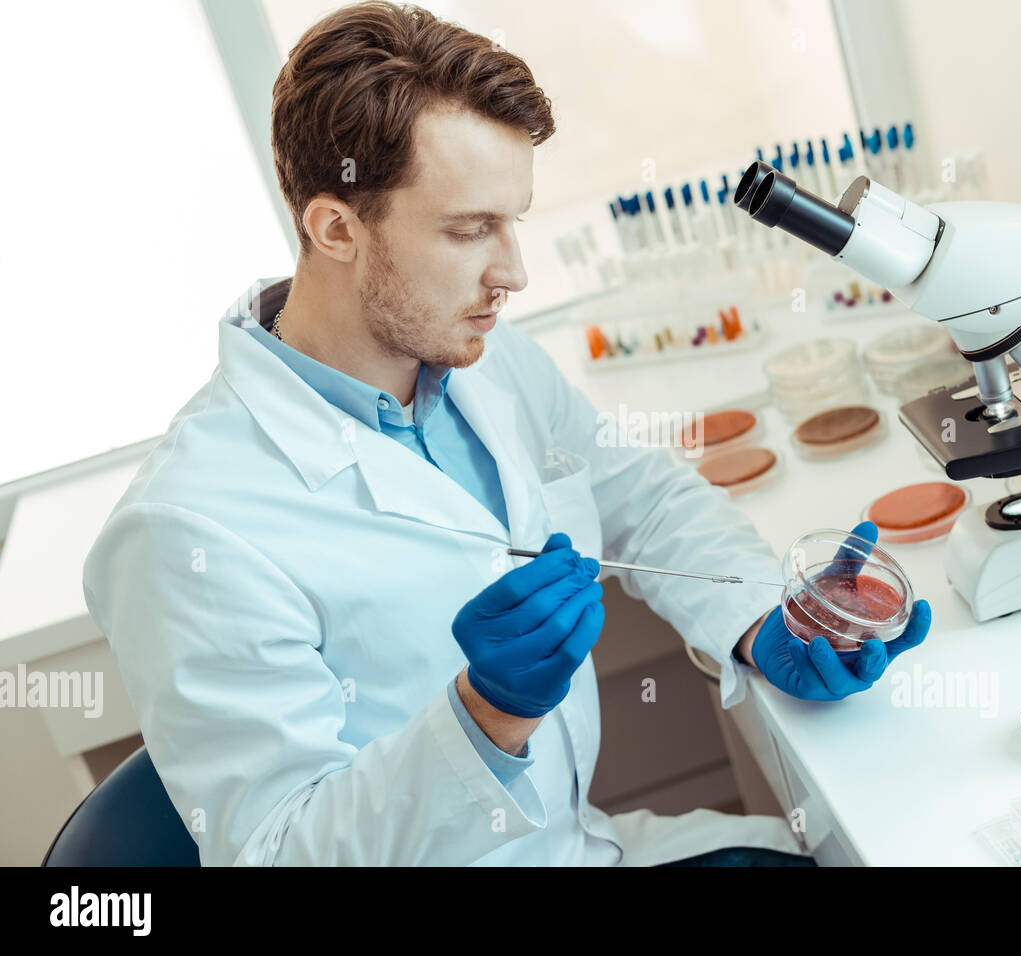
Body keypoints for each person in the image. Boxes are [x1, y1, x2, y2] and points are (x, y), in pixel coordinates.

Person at [82, 0, 930, 866]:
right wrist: (484, 716)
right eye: (468, 230)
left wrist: (761, 620)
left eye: (512, 220)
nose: (514, 273)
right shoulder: (187, 529)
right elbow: (275, 853)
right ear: (335, 228)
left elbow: (642, 497)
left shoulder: (485, 360)